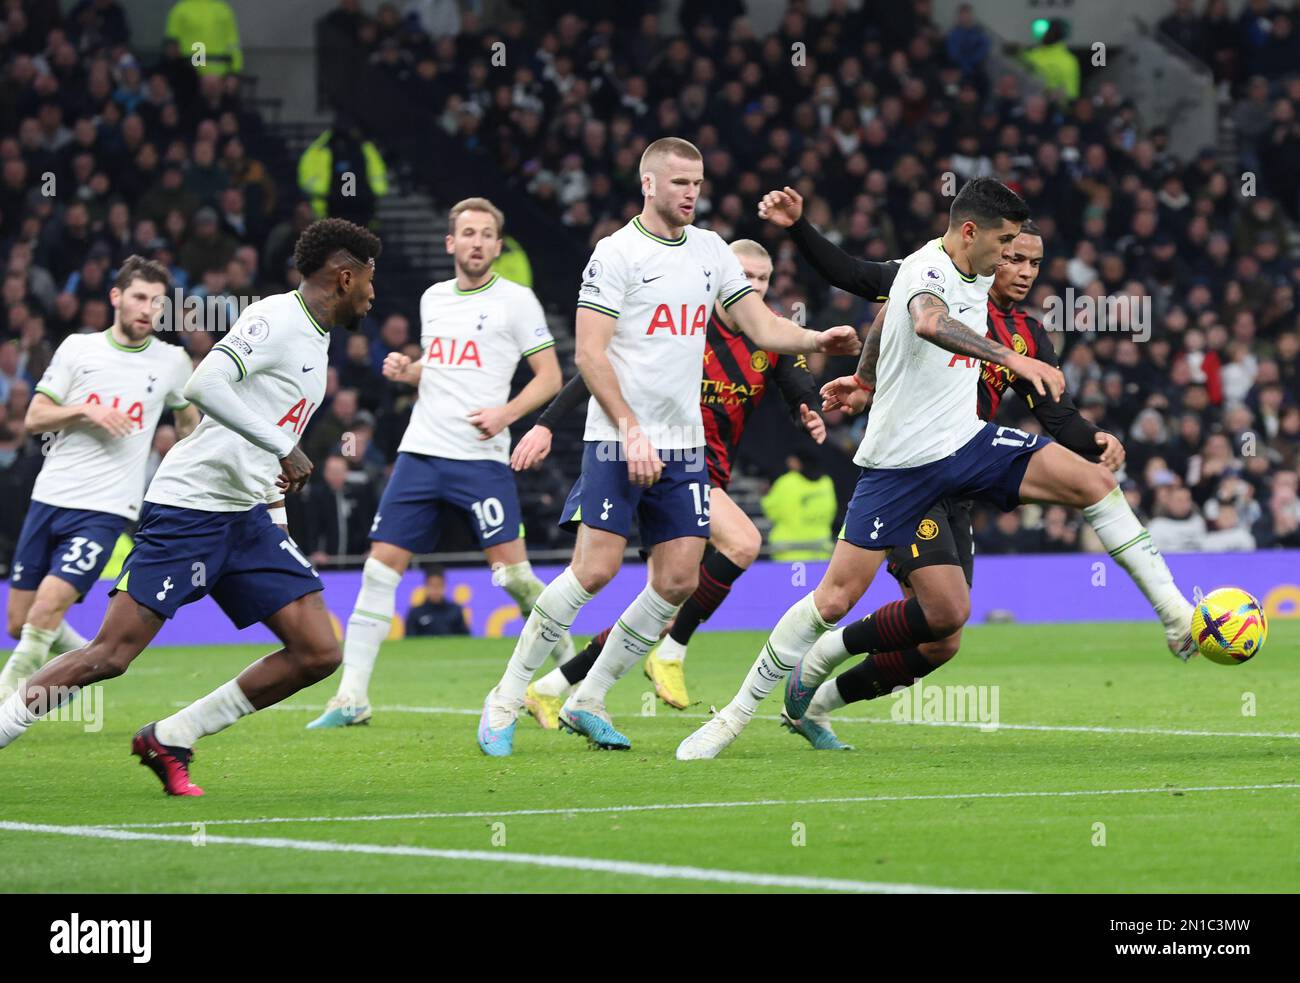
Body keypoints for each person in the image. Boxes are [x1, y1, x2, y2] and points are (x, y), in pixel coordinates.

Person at [675, 178, 1194, 760]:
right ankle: (735, 716)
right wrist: (1009, 357)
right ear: (970, 232)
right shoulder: (925, 272)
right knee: (835, 598)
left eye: (1022, 253)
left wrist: (866, 378)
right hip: (899, 465)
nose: (1010, 262)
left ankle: (1175, 615)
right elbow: (923, 318)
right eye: (1005, 246)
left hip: (965, 444)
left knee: (1093, 485)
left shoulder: (981, 279)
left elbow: (886, 326)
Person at [475, 137, 860, 756]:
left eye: (698, 183)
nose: (691, 193)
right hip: (616, 439)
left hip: (683, 448)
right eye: (679, 182)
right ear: (649, 184)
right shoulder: (615, 253)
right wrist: (628, 425)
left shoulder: (710, 251)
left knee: (678, 580)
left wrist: (818, 338)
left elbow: (760, 325)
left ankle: (587, 699)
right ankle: (504, 697)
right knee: (594, 570)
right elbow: (589, 354)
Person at [0, 219, 382, 795]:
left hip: (248, 515)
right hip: (189, 508)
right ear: (344, 276)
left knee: (317, 652)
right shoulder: (275, 318)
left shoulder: (317, 334)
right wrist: (285, 446)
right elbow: (205, 385)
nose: (374, 296)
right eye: (371, 283)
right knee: (110, 653)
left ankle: (172, 735)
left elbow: (266, 441)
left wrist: (277, 511)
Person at [769, 212, 1139, 750]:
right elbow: (849, 273)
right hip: (912, 467)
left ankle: (819, 703)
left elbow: (1056, 417)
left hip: (962, 474)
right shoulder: (930, 279)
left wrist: (1097, 441)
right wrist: (798, 226)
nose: (1023, 269)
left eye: (1033, 261)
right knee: (922, 610)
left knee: (943, 640)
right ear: (986, 244)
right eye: (1012, 255)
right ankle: (815, 661)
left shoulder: (1027, 332)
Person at [512, 238, 827, 723]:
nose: (754, 287)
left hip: (696, 473)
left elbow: (796, 382)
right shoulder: (686, 323)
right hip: (647, 456)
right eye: (745, 277)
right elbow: (597, 367)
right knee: (737, 544)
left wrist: (811, 410)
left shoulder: (769, 335)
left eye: (763, 280)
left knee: (667, 594)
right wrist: (547, 423)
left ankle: (555, 686)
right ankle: (671, 652)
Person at [308, 198, 564, 729]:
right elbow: (444, 365)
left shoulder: (518, 303)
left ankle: (571, 674)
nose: (475, 242)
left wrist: (507, 413)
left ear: (497, 245)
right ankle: (352, 696)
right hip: (421, 453)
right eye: (466, 233)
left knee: (514, 578)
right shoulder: (433, 298)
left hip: (481, 459)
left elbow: (550, 377)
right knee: (380, 569)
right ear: (450, 243)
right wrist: (409, 370)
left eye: (485, 234)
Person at [0, 257, 199, 700]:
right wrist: (85, 410)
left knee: (46, 610)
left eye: (157, 302)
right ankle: (85, 663)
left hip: (107, 509)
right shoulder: (78, 349)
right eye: (139, 298)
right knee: (20, 621)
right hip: (50, 497)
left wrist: (186, 460)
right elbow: (35, 417)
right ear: (116, 297)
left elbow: (190, 422)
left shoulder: (172, 361)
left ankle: (6, 710)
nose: (148, 309)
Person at [404, 567, 469, 637]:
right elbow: (409, 640)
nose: (435, 590)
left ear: (444, 586)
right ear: (425, 587)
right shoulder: (416, 612)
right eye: (432, 585)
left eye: (439, 585)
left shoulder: (455, 610)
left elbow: (465, 637)